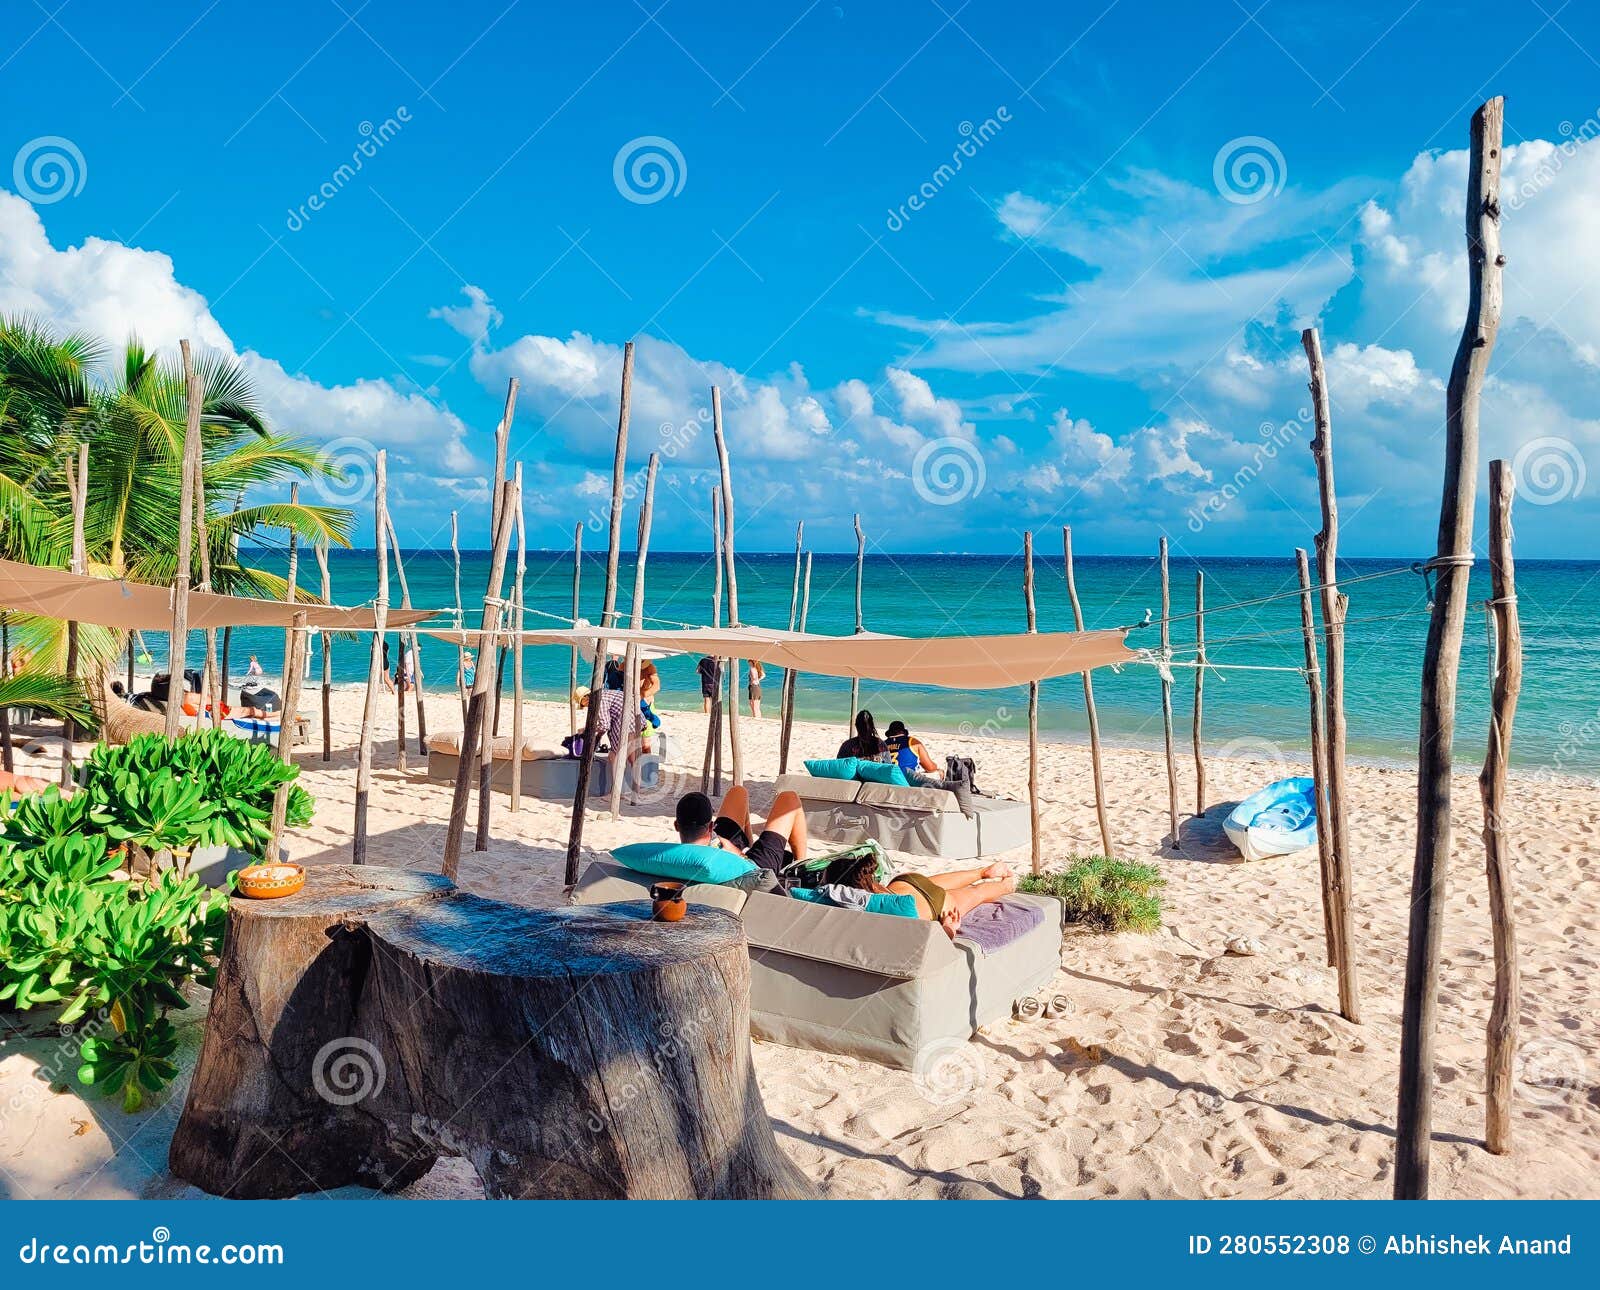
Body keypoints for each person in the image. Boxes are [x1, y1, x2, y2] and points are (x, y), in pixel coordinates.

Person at [833, 854, 1016, 940]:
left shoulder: (868, 912)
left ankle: (1006, 885)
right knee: (931, 884)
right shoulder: (873, 888)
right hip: (905, 882)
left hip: (934, 904)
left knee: (979, 893)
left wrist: (949, 928)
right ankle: (983, 871)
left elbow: (931, 945)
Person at [673, 787, 807, 885]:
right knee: (789, 798)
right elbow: (748, 867)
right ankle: (802, 865)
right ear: (710, 826)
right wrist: (736, 852)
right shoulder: (718, 858)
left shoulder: (668, 857)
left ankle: (749, 843)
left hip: (716, 844)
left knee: (737, 792)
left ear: (676, 826)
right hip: (755, 867)